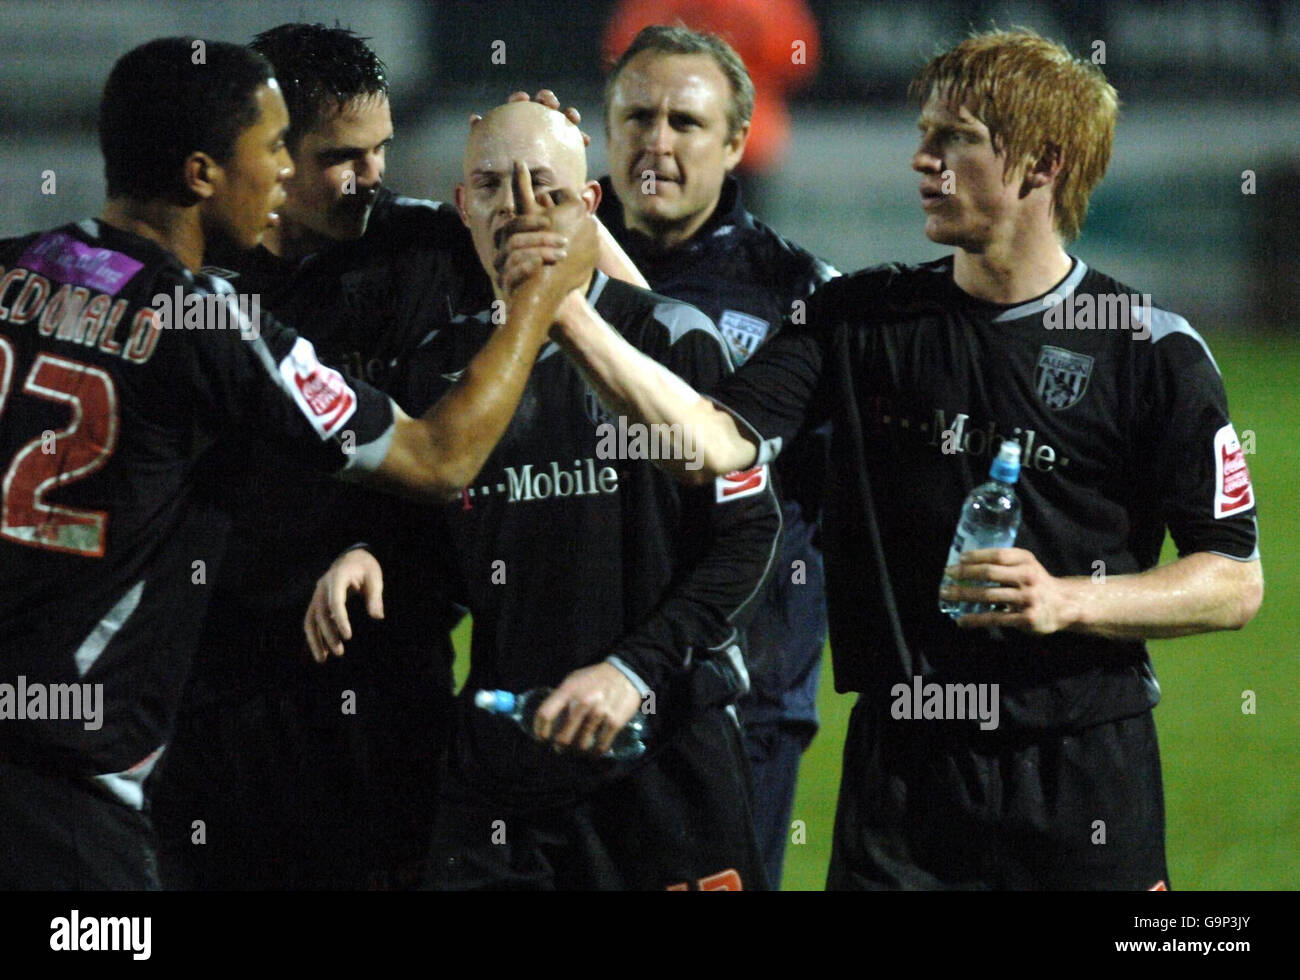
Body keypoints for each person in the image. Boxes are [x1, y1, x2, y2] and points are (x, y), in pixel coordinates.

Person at [550, 28, 1263, 889]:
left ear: (1043, 162)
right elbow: (709, 442)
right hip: (903, 783)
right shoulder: (857, 318)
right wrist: (571, 299)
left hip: (1082, 775)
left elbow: (1233, 579)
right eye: (924, 135)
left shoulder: (1150, 349)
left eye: (955, 138)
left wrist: (1067, 599)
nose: (922, 160)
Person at [0, 37, 596, 890]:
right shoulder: (208, 319)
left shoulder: (13, 266)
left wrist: (546, 173)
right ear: (205, 172)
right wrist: (538, 301)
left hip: (317, 710)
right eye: (278, 149)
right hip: (95, 779)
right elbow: (440, 457)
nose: (283, 175)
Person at [307, 100, 779, 890]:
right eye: (491, 185)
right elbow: (430, 553)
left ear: (590, 206)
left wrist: (632, 671)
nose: (519, 211)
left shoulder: (671, 341)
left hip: (665, 759)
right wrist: (370, 552)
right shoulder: (434, 372)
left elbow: (746, 538)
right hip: (506, 761)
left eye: (548, 191)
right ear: (462, 208)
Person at [148, 23, 483, 892]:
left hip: (383, 690)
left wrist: (546, 182)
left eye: (382, 149)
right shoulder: (188, 283)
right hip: (213, 701)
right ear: (268, 153)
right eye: (344, 156)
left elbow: (610, 307)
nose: (373, 176)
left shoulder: (433, 252)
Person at [596, 24, 836, 888]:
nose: (657, 142)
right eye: (638, 117)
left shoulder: (800, 298)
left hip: (731, 703)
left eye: (686, 123)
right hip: (569, 689)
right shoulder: (536, 263)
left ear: (737, 142)